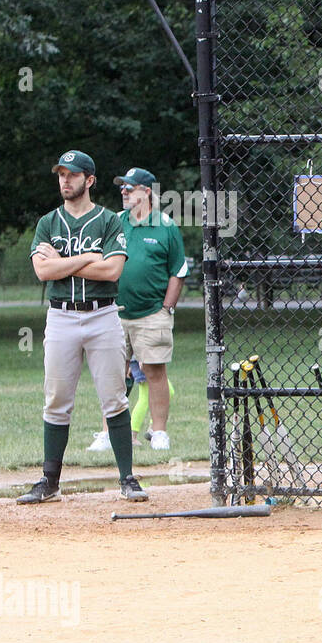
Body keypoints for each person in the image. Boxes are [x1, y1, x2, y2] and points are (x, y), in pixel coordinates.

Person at [18, 150, 147, 504]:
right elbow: (43, 272)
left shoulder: (108, 221)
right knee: (57, 399)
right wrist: (86, 258)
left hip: (102, 314)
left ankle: (128, 479)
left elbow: (112, 271)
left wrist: (62, 262)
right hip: (60, 316)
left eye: (73, 175)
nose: (65, 180)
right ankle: (50, 481)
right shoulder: (48, 222)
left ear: (89, 180)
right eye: (61, 174)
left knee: (114, 397)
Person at [110, 167, 185, 452]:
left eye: (130, 187)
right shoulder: (115, 222)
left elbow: (178, 271)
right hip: (115, 313)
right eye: (123, 187)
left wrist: (166, 308)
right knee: (113, 375)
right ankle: (109, 434)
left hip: (153, 312)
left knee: (154, 372)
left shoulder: (166, 225)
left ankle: (160, 432)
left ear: (148, 192)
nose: (124, 192)